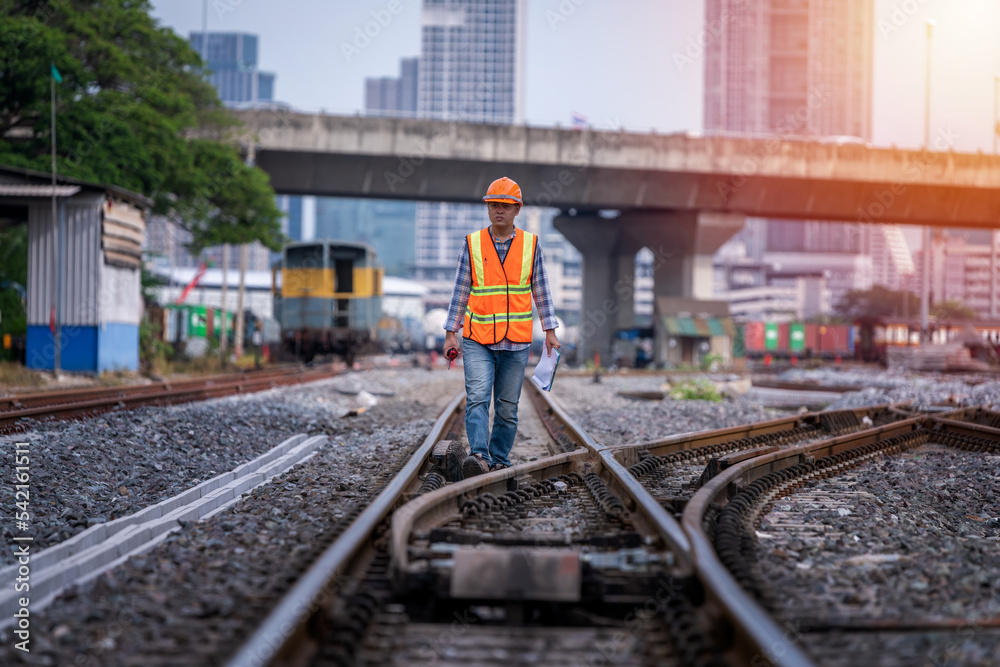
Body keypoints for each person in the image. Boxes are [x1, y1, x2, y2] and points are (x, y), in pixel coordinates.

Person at [443, 177, 560, 477]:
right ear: (488, 207)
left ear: (517, 210)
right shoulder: (472, 244)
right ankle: (479, 457)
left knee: (507, 408)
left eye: (506, 206)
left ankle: (499, 459)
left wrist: (550, 330)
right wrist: (450, 333)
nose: (499, 211)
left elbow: (541, 290)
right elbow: (460, 290)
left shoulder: (530, 245)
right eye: (494, 205)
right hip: (477, 339)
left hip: (516, 342)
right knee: (478, 398)